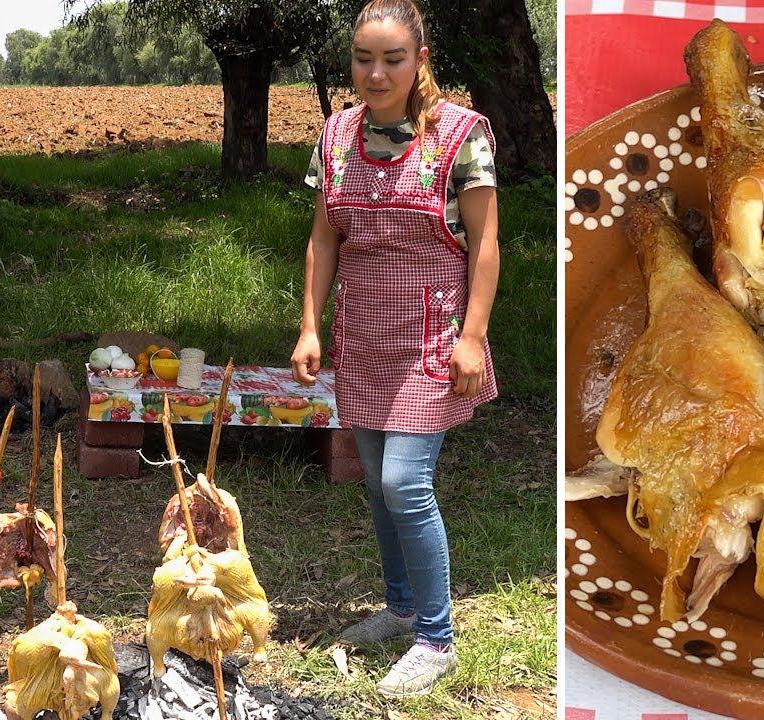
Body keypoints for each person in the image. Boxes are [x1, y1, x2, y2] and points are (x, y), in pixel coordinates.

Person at [289, 0, 500, 698]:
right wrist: (310, 325)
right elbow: (325, 239)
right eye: (363, 58)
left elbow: (487, 247)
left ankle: (435, 638)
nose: (375, 74)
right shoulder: (337, 136)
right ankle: (401, 604)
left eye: (393, 59)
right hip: (364, 334)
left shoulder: (461, 136)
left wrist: (473, 338)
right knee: (378, 489)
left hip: (433, 336)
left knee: (403, 483)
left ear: (421, 60)